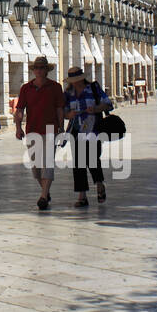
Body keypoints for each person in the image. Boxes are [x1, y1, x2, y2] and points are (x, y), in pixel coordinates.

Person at [14, 56, 63, 211]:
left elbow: (59, 108)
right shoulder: (26, 88)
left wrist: (61, 127)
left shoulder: (55, 87)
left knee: (47, 163)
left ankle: (43, 197)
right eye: (37, 68)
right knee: (36, 166)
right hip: (32, 130)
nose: (39, 70)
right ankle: (45, 191)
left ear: (46, 70)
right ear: (33, 71)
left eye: (42, 68)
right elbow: (20, 109)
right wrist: (18, 127)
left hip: (50, 129)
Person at [63, 67, 112, 207]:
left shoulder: (93, 89)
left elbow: (108, 103)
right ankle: (82, 195)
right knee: (78, 163)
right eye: (73, 81)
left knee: (92, 159)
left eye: (77, 80)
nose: (76, 83)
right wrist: (68, 115)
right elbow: (63, 111)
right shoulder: (68, 93)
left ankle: (99, 184)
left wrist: (96, 109)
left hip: (93, 129)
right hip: (76, 130)